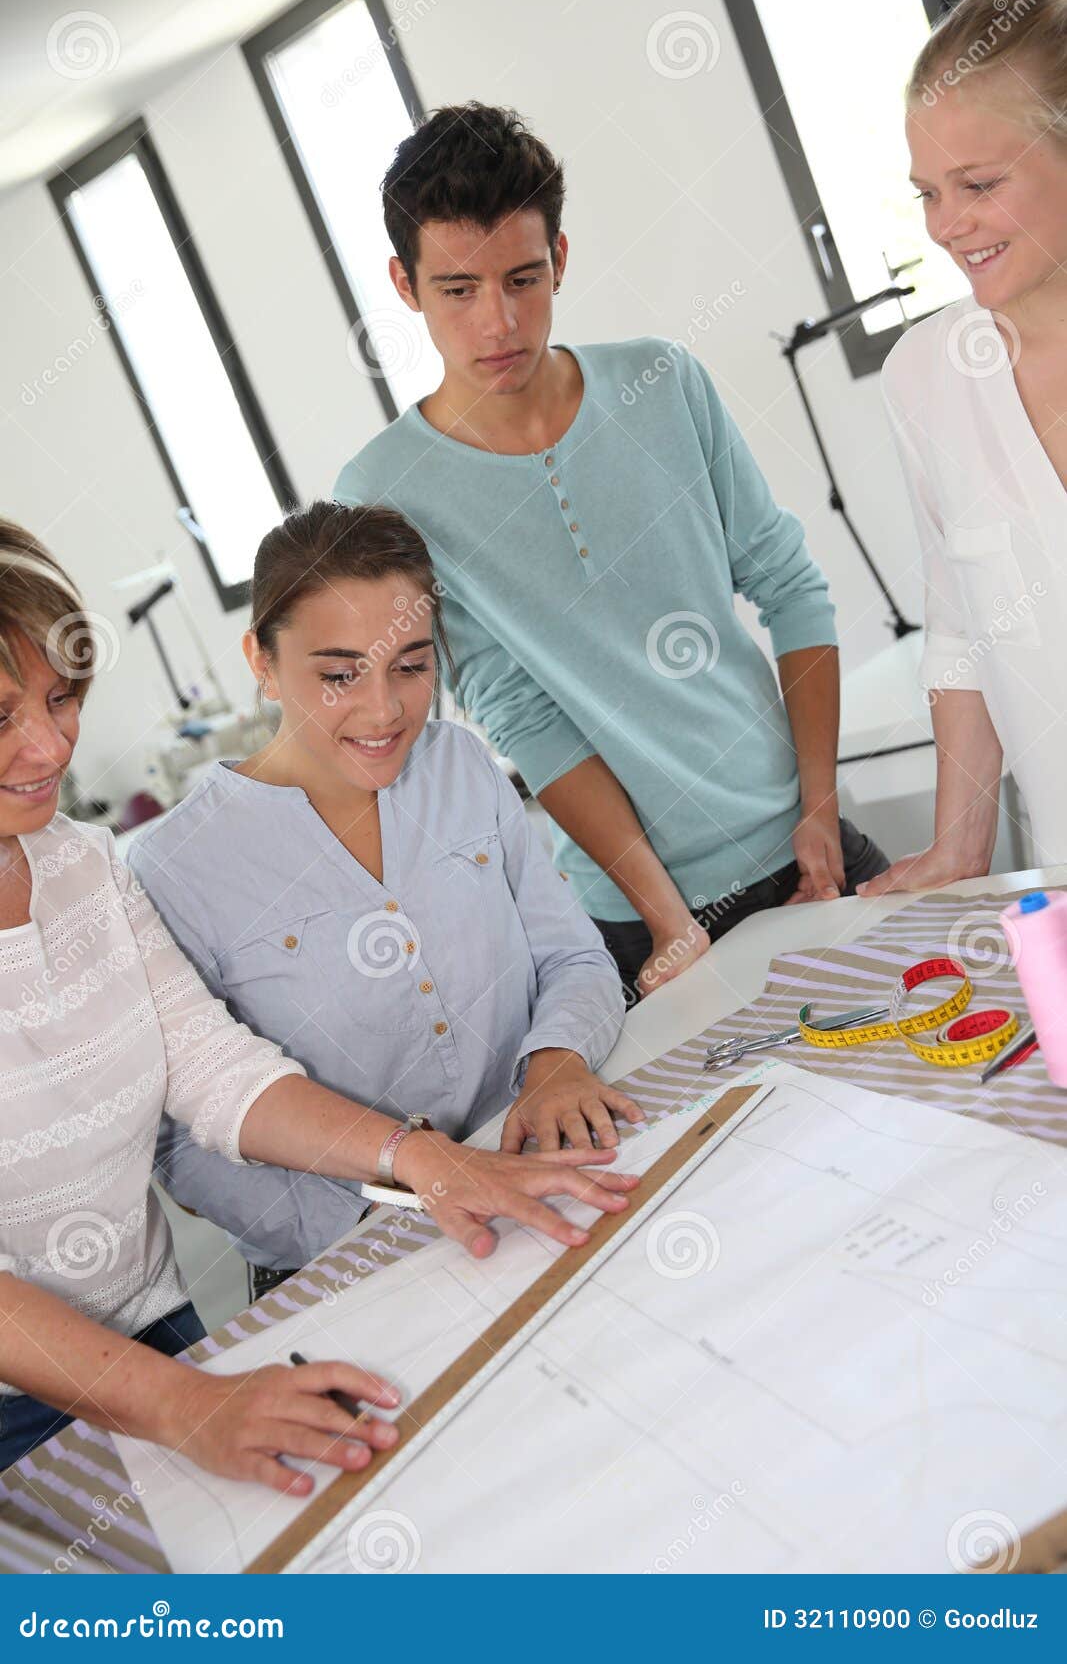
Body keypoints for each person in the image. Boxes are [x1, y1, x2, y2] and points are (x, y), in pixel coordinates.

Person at [0, 520, 637, 1476]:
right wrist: (389, 1206)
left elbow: (212, 1071)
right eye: (0, 715)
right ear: (261, 660)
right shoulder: (174, 860)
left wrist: (419, 1159)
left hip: (152, 1329)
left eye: (61, 698)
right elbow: (198, 1149)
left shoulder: (83, 869)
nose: (50, 745)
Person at [333, 102, 888, 1004]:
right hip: (638, 920)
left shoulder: (660, 382)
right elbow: (519, 711)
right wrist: (668, 916)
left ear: (559, 257)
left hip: (806, 846)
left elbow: (789, 589)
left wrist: (820, 809)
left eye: (522, 279)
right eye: (457, 291)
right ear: (405, 285)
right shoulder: (382, 491)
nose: (498, 325)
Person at [130, 502, 635, 1289]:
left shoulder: (463, 768)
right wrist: (372, 1223)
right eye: (338, 675)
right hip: (358, 1252)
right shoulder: (174, 867)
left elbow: (571, 955)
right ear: (260, 663)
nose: (384, 710)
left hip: (535, 1165)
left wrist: (559, 1066)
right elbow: (182, 1140)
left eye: (410, 664)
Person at [858, 0, 1067, 897]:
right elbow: (960, 628)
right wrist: (958, 847)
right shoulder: (926, 377)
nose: (945, 225)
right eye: (928, 194)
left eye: (979, 186)